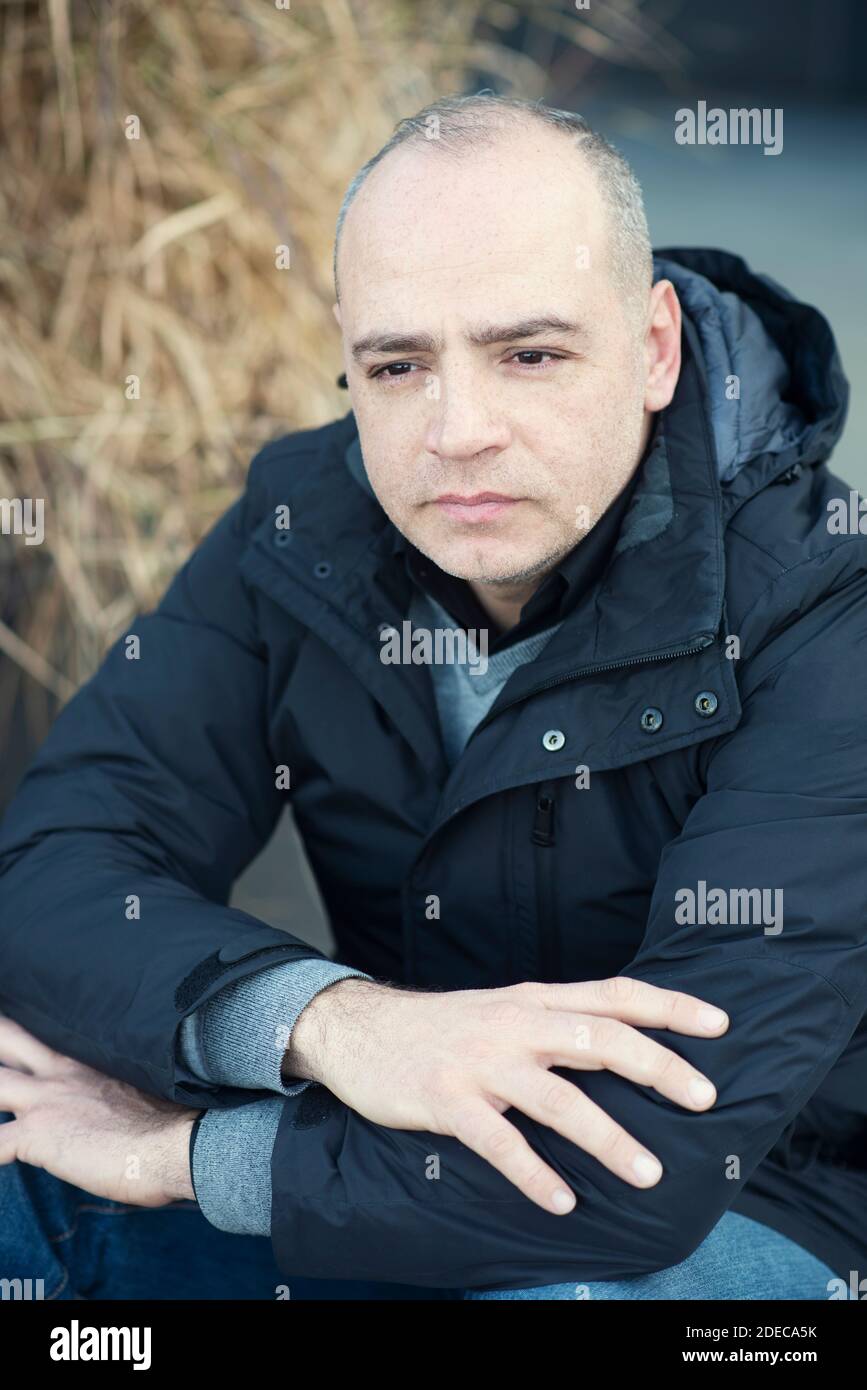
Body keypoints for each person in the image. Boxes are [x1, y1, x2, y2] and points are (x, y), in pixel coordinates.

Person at [0, 93, 865, 1302]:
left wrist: (182, 1154)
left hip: (760, 1210)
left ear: (655, 347)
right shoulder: (303, 525)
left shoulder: (827, 613)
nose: (457, 431)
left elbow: (648, 1164)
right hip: (370, 1142)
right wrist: (333, 1023)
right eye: (398, 366)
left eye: (529, 355)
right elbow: (53, 868)